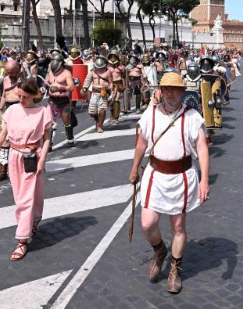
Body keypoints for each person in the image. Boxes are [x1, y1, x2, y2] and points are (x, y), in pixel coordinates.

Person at [128, 72, 210, 294]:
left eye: (174, 89)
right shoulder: (151, 114)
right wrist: (135, 167)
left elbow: (202, 148)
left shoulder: (193, 117)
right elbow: (142, 143)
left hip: (182, 176)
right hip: (155, 174)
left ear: (183, 92)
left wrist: (204, 179)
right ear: (161, 91)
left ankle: (175, 268)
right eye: (166, 89)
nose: (169, 93)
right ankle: (159, 250)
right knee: (147, 223)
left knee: (178, 226)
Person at [0, 78, 53, 261]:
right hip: (14, 156)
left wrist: (42, 159)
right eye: (19, 96)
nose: (21, 100)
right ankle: (34, 220)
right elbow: (3, 135)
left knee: (25, 199)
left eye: (25, 97)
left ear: (34, 95)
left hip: (31, 157)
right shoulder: (12, 110)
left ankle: (22, 240)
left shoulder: (43, 112)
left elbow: (46, 139)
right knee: (21, 196)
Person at [0, 59, 22, 183]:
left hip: (21, 111)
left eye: (12, 72)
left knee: (20, 141)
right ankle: (3, 171)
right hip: (8, 111)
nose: (10, 75)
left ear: (17, 70)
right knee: (4, 141)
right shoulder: (5, 80)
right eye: (8, 72)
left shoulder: (24, 81)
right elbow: (4, 95)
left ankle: (20, 168)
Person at [45, 53, 75, 146]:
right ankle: (49, 144)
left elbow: (71, 87)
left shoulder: (66, 73)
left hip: (63, 101)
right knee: (50, 122)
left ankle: (70, 139)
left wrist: (59, 88)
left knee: (66, 121)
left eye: (55, 61)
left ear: (60, 63)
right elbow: (46, 82)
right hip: (52, 100)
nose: (53, 63)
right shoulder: (50, 72)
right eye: (52, 61)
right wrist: (44, 86)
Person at [80, 55, 113, 133]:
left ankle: (99, 126)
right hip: (94, 94)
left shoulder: (108, 72)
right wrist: (84, 88)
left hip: (103, 93)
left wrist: (111, 93)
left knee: (102, 111)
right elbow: (87, 81)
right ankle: (98, 120)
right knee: (92, 112)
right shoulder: (92, 72)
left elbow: (111, 83)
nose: (100, 69)